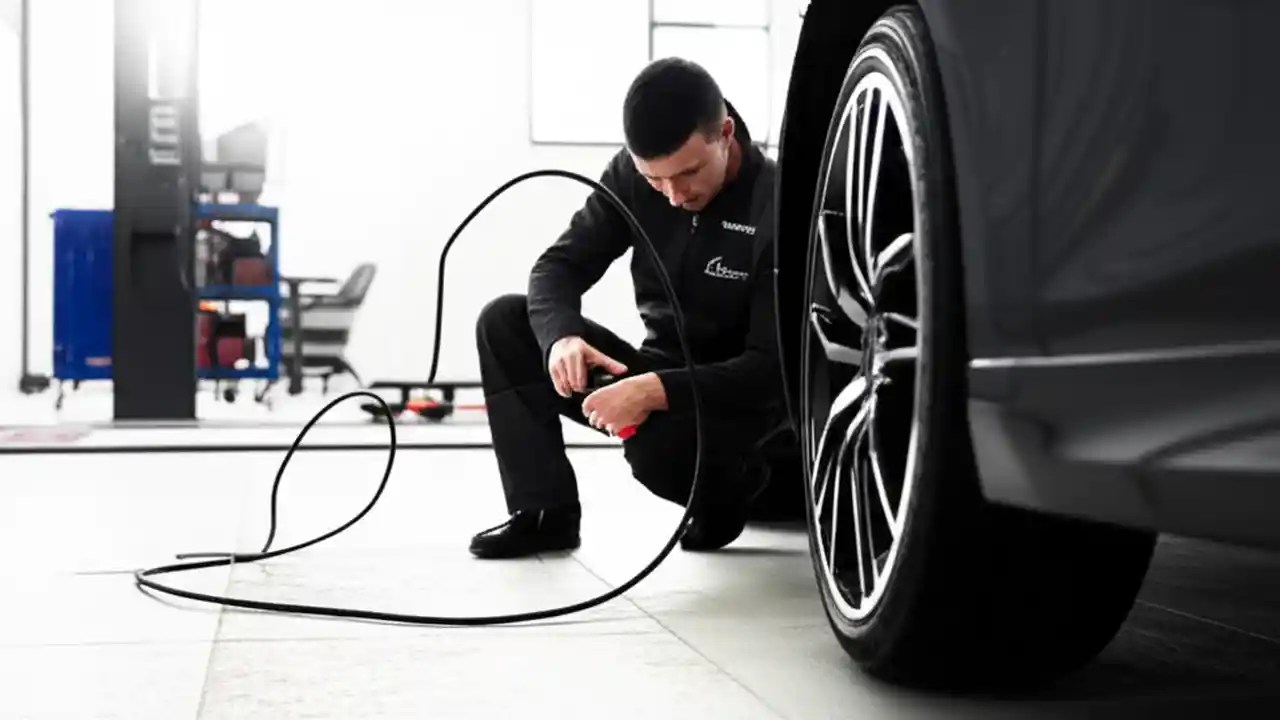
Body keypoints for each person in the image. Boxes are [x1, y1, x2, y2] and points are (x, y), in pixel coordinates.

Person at [469, 57, 791, 559]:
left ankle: (729, 494)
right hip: (662, 368)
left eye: (688, 173)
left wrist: (653, 391)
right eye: (655, 180)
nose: (674, 195)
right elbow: (557, 268)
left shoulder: (779, 203)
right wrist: (562, 338)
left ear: (725, 134)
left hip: (744, 412)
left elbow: (771, 370)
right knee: (504, 324)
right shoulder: (631, 177)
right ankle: (544, 515)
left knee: (655, 449)